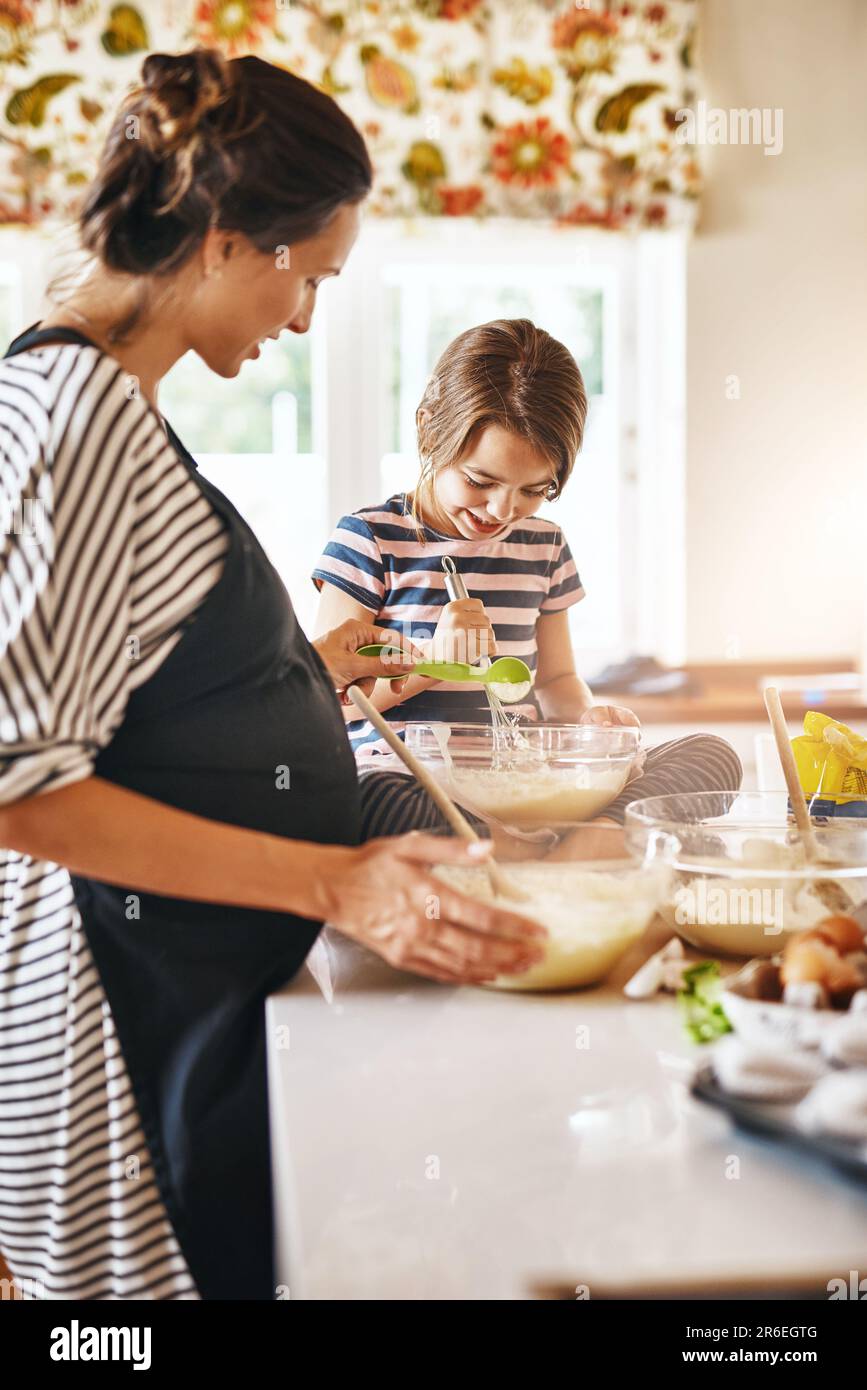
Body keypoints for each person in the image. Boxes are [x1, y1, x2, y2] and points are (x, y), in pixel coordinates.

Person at [0, 50, 548, 1302]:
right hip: (125, 1042)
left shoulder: (91, 405)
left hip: (181, 1010)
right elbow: (19, 786)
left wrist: (308, 674)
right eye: (310, 277)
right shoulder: (75, 423)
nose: (305, 318)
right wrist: (338, 882)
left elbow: (137, 698)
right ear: (226, 237)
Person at [313, 319, 742, 848]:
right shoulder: (372, 539)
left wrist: (590, 722)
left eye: (534, 489)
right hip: (414, 776)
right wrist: (432, 663)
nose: (503, 509)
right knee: (370, 798)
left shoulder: (543, 545)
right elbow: (332, 701)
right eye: (479, 481)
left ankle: (573, 843)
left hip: (524, 775)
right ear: (429, 429)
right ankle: (540, 849)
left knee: (712, 755)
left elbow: (556, 682)